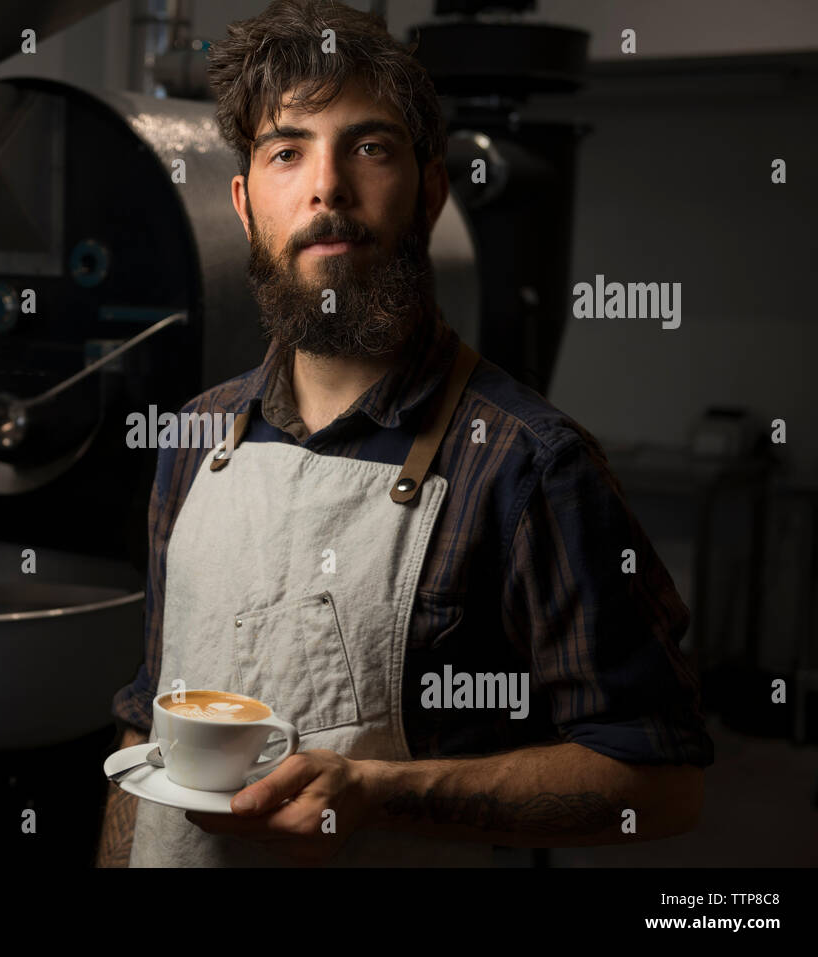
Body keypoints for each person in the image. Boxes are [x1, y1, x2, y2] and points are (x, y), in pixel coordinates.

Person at [96, 0, 712, 868]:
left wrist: (385, 792)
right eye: (287, 151)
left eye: (370, 146)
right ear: (244, 203)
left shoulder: (530, 465)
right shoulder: (196, 435)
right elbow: (145, 719)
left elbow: (659, 782)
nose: (327, 187)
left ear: (430, 192)